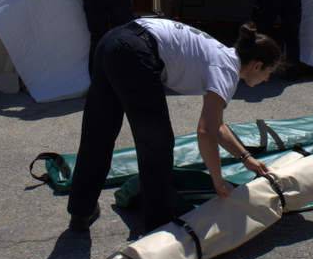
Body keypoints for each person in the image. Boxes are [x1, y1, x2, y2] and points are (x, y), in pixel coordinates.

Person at [66, 20, 281, 233]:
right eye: (268, 73)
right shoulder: (226, 69)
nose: (266, 80)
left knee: (99, 133)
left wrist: (246, 157)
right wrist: (218, 181)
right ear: (257, 65)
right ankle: (158, 227)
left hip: (112, 41)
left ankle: (81, 212)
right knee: (156, 143)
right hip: (135, 50)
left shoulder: (222, 56)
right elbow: (206, 130)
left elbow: (217, 126)